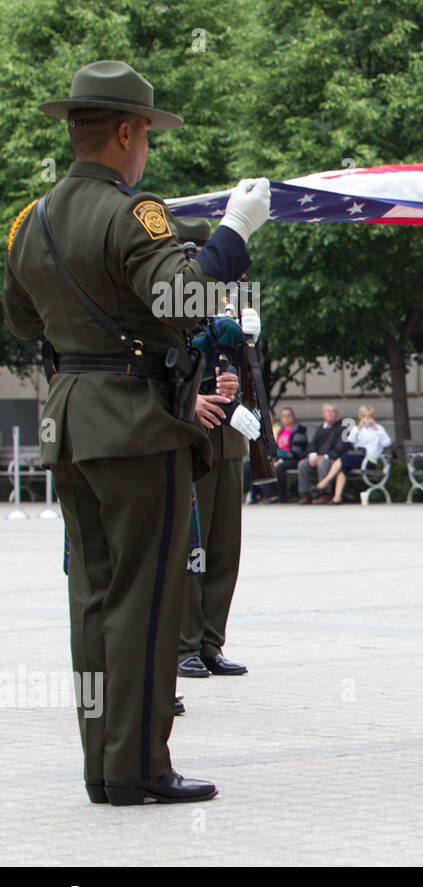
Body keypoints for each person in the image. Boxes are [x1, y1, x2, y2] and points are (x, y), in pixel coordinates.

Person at [3, 60, 271, 803]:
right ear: (125, 132)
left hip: (69, 419)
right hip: (134, 424)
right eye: (146, 133)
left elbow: (21, 319)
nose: (147, 146)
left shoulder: (30, 221)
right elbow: (187, 301)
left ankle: (102, 763)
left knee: (92, 600)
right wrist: (234, 233)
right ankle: (139, 767)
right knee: (146, 599)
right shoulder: (134, 214)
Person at [177, 218, 259, 680]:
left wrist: (232, 382)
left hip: (226, 435)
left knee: (224, 546)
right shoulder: (169, 308)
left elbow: (234, 368)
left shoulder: (223, 309)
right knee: (192, 548)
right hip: (190, 435)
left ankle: (210, 642)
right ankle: (184, 644)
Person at [313, 404, 391, 503]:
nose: (367, 418)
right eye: (364, 416)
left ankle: (324, 482)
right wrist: (358, 428)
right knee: (343, 468)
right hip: (357, 456)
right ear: (360, 417)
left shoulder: (379, 429)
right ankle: (337, 497)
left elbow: (387, 443)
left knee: (343, 459)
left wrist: (376, 429)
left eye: (369, 416)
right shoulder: (357, 428)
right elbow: (350, 441)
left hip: (369, 459)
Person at [248, 406, 307, 502]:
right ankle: (271, 495)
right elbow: (275, 448)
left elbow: (297, 451)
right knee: (265, 464)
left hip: (294, 459)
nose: (286, 418)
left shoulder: (299, 430)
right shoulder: (281, 431)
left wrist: (281, 460)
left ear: (293, 417)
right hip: (281, 458)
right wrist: (274, 459)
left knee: (279, 467)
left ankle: (282, 497)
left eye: (288, 415)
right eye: (284, 416)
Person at [296, 403, 347, 503]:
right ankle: (306, 494)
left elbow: (341, 448)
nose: (330, 414)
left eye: (333, 411)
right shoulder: (320, 428)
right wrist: (312, 455)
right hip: (318, 458)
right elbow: (313, 445)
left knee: (322, 463)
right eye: (328, 411)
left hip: (333, 459)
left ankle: (325, 493)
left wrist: (325, 456)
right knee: (303, 464)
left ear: (337, 414)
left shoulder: (342, 428)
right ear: (323, 414)